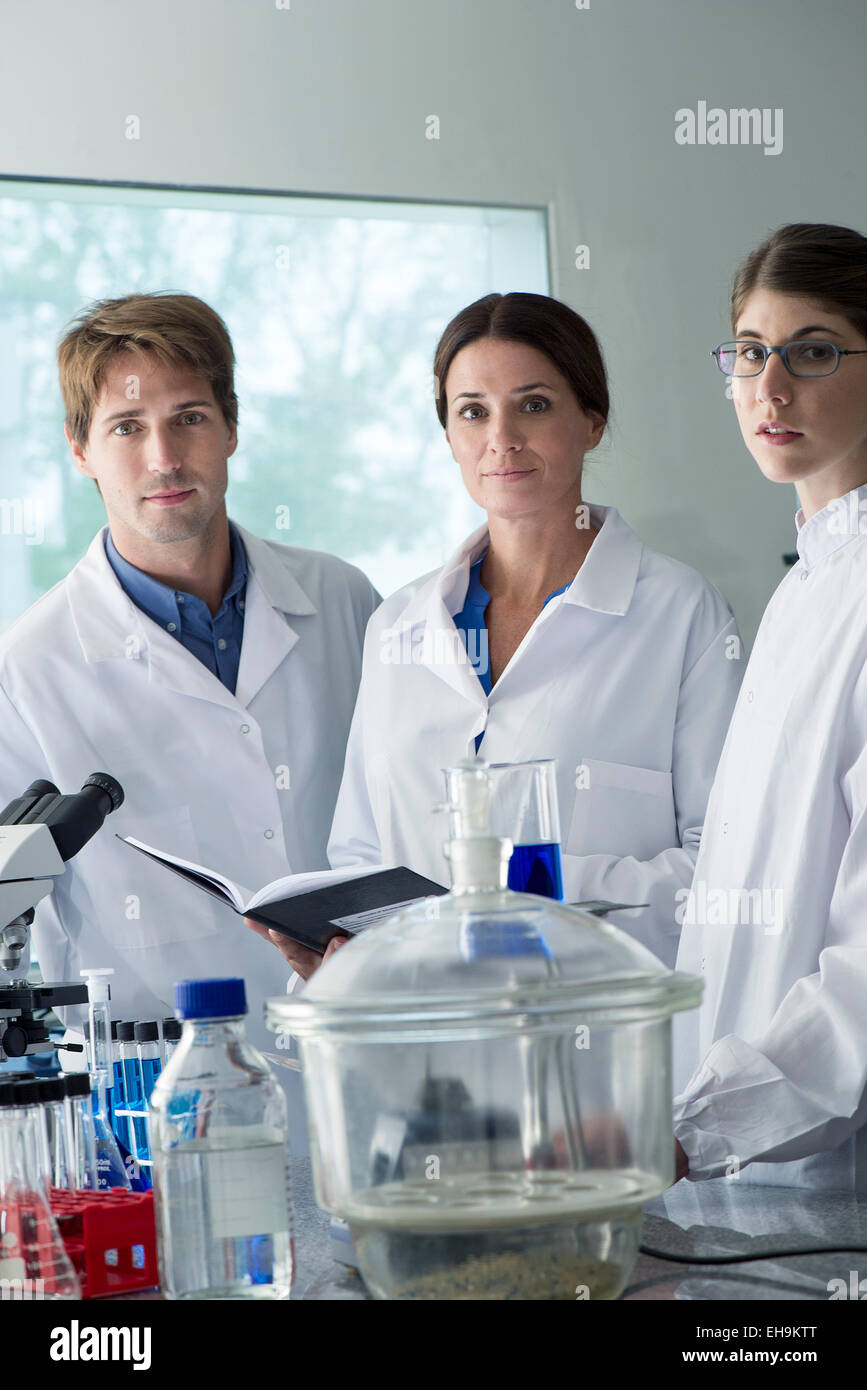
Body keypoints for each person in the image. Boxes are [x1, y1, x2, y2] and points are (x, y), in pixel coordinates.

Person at [252, 292, 745, 983]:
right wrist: (344, 952)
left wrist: (528, 890)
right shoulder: (398, 626)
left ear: (592, 420)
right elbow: (361, 850)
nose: (501, 439)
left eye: (534, 404)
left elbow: (724, 859)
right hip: (430, 1038)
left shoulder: (679, 613)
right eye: (472, 411)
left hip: (601, 1036)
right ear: (448, 433)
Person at [0, 292, 380, 1144]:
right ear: (81, 450)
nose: (164, 456)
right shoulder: (25, 669)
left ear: (232, 428)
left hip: (361, 1069)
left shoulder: (343, 601)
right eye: (128, 426)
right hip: (156, 1111)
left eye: (189, 418)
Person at [673, 223, 867, 1190]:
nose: (770, 387)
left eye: (815, 351)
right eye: (750, 353)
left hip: (826, 1174)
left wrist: (693, 1132)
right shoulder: (805, 583)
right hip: (740, 1167)